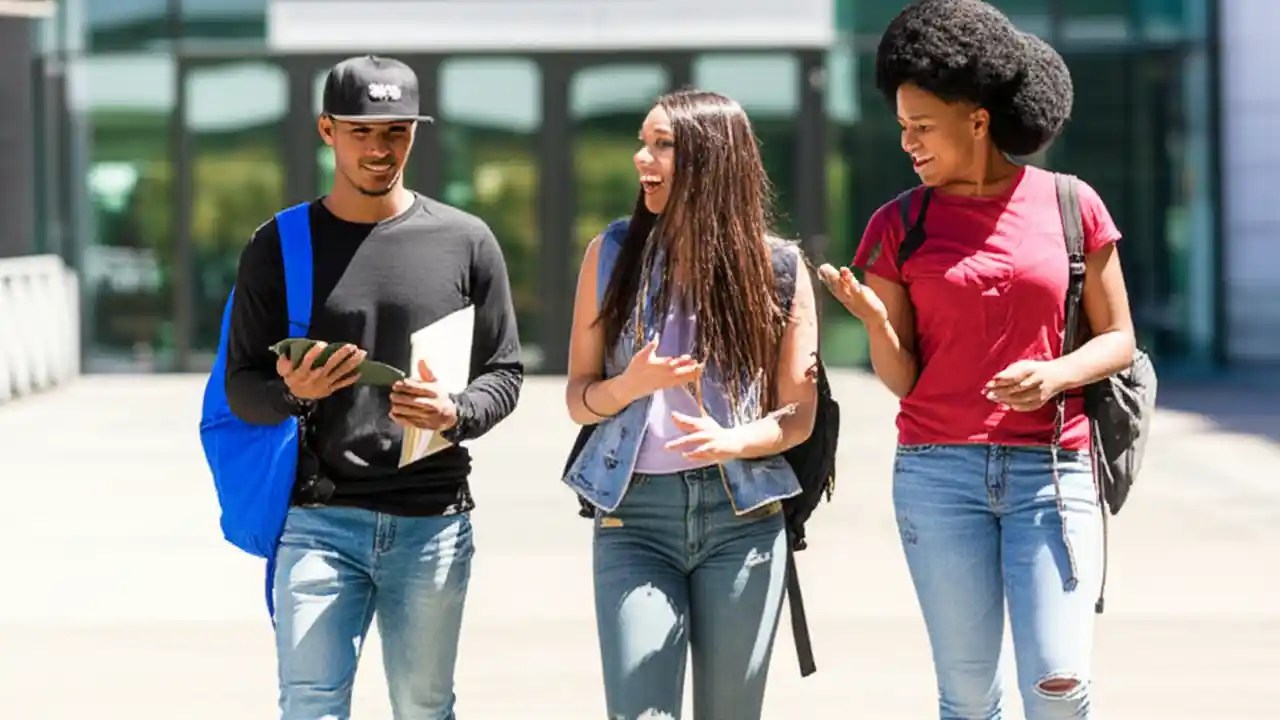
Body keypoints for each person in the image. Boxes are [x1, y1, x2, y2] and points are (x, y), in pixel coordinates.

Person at [818, 1, 1136, 718]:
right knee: (966, 695)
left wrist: (1057, 373)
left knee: (1059, 684)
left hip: (1052, 471)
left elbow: (1119, 339)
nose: (908, 143)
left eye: (922, 127)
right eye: (902, 128)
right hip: (938, 474)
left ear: (978, 121)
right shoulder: (898, 225)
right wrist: (874, 323)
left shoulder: (1070, 205)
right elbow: (903, 379)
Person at [225, 54, 523, 720]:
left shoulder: (466, 241)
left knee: (423, 706)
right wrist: (291, 392)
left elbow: (505, 371)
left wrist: (458, 411)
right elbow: (241, 388)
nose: (380, 148)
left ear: (415, 134)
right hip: (316, 519)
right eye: (362, 131)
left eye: (395, 131)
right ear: (327, 130)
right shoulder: (279, 245)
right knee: (310, 707)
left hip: (433, 520)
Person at [561, 89, 820, 720]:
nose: (640, 158)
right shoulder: (611, 255)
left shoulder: (779, 268)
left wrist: (733, 440)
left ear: (710, 158)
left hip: (743, 522)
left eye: (661, 145)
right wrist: (632, 386)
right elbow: (579, 398)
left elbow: (799, 414)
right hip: (634, 518)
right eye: (642, 143)